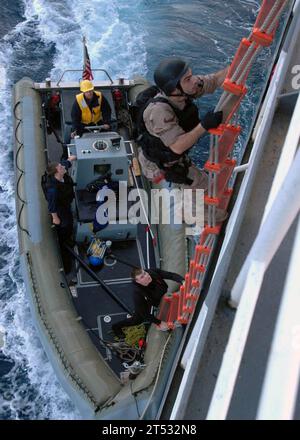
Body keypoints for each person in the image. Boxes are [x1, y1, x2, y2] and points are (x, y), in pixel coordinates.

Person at [139, 57, 229, 189]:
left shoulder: (183, 91)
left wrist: (240, 63)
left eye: (191, 76)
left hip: (175, 156)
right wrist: (204, 125)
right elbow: (178, 146)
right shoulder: (158, 111)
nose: (195, 81)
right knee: (205, 188)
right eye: (188, 79)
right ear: (174, 89)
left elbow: (215, 80)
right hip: (161, 165)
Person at [112, 267, 184, 338]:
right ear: (138, 281)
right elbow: (144, 314)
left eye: (145, 273)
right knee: (137, 320)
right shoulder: (137, 294)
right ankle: (116, 327)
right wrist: (159, 322)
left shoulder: (152, 272)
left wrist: (183, 281)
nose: (146, 276)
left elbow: (171, 275)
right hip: (149, 300)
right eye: (142, 277)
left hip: (160, 294)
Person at [44, 155, 77, 273]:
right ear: (56, 172)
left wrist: (70, 159)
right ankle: (64, 241)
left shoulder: (61, 173)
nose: (62, 166)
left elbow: (65, 163)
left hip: (66, 201)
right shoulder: (52, 190)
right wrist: (55, 218)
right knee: (66, 224)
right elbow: (52, 206)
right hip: (60, 207)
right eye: (60, 167)